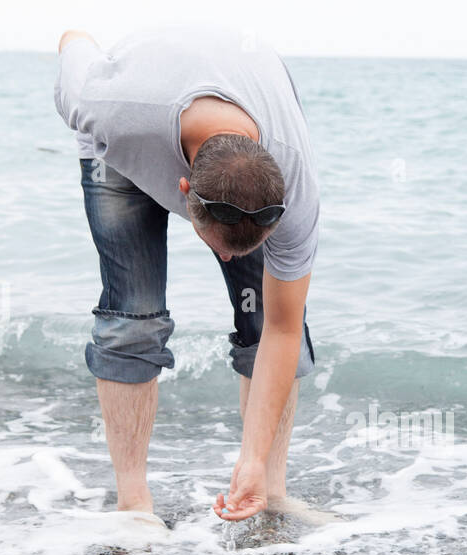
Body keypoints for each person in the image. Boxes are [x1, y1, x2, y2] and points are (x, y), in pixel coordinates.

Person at [54, 24, 319, 522]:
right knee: (133, 315)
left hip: (233, 91)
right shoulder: (106, 105)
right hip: (124, 144)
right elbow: (73, 48)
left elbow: (283, 329)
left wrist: (253, 460)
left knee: (264, 316)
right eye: (217, 247)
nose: (226, 259)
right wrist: (77, 39)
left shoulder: (295, 186)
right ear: (181, 192)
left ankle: (270, 491)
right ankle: (134, 506)